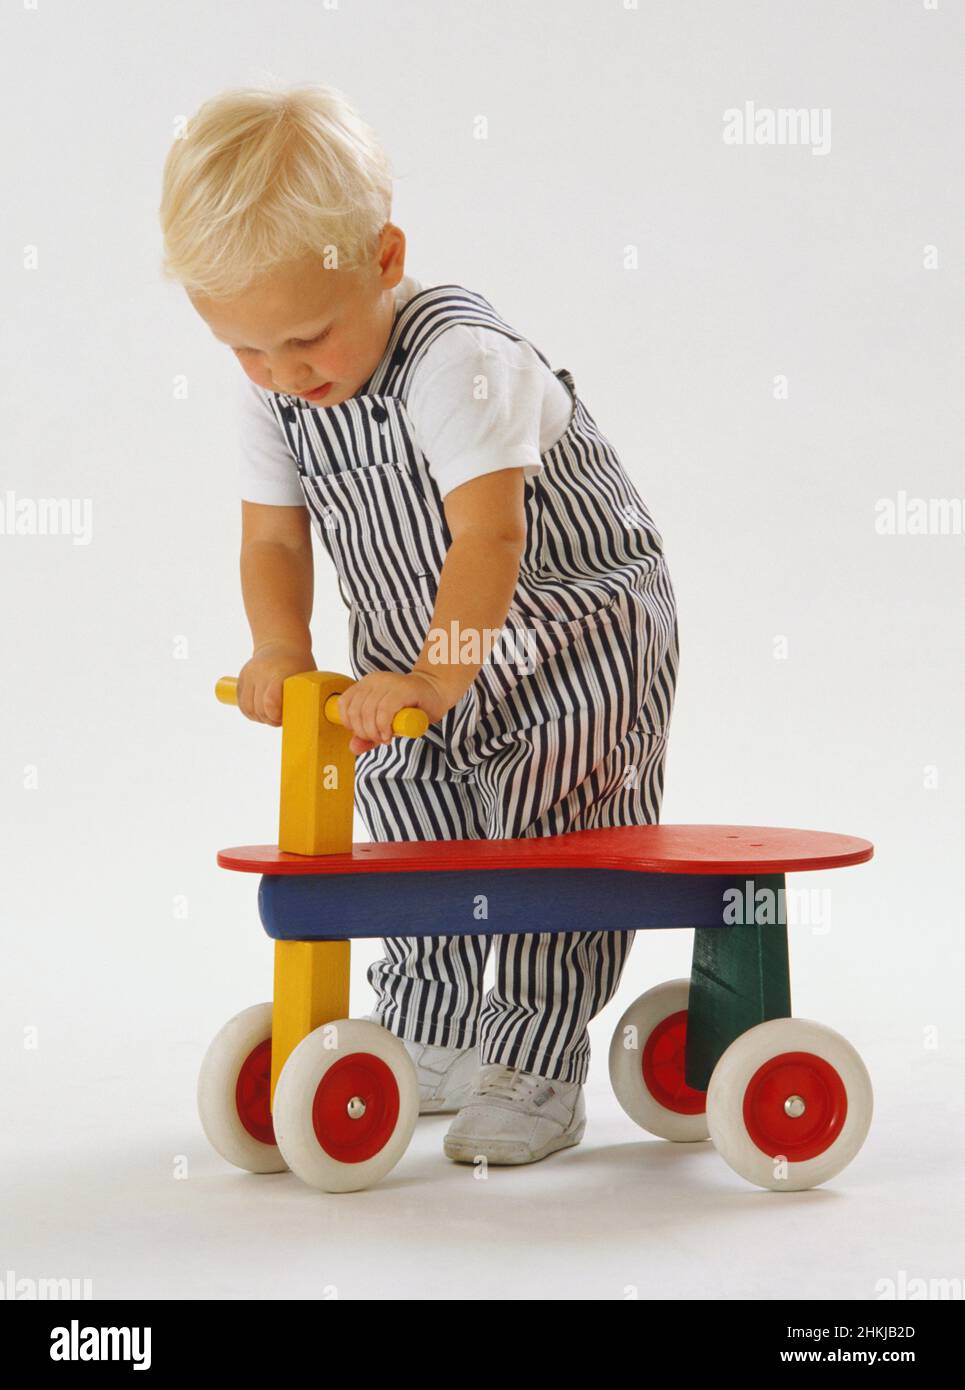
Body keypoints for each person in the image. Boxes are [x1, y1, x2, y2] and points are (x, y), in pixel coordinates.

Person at [159, 82, 679, 1166]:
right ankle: (432, 1027)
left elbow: (486, 540)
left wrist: (442, 681)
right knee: (408, 819)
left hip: (570, 641)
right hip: (411, 662)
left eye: (305, 339)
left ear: (384, 260)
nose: (284, 376)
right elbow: (272, 539)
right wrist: (282, 650)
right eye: (247, 351)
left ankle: (534, 1058)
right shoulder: (276, 389)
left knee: (548, 841)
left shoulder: (457, 361)